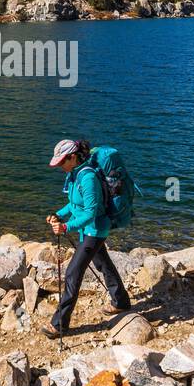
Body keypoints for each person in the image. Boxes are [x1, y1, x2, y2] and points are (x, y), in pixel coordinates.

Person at [41, 138, 132, 339]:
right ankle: (122, 302)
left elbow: (90, 213)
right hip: (88, 231)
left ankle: (59, 324)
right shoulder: (75, 174)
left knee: (73, 273)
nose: (59, 166)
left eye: (61, 162)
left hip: (95, 231)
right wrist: (58, 214)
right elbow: (74, 205)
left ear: (72, 157)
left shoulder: (87, 178)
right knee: (104, 264)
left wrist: (66, 227)